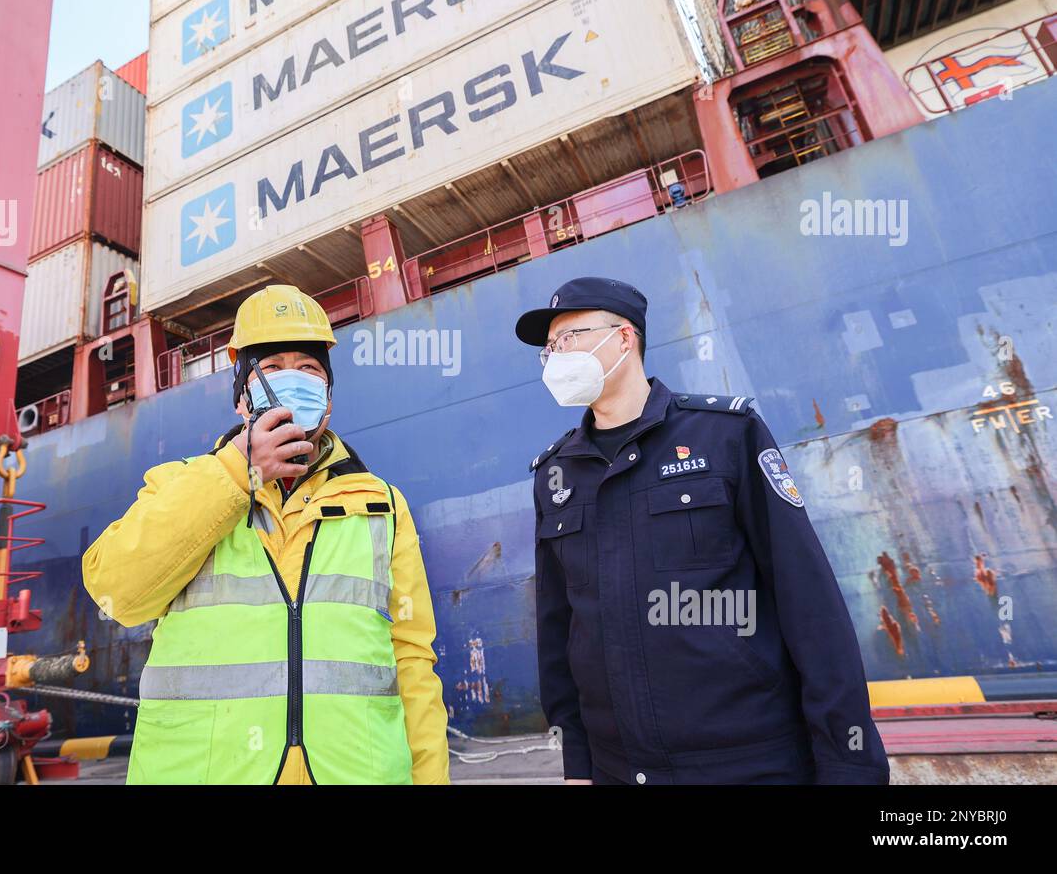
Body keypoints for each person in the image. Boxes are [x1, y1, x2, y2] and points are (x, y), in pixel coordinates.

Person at [516, 277, 888, 784]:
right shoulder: (555, 476)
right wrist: (577, 761)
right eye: (550, 348)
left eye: (571, 337)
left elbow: (808, 600)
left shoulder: (726, 435)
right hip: (619, 769)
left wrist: (850, 764)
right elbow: (560, 629)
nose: (557, 356)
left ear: (624, 338)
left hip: (748, 764)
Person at [82, 284, 449, 784]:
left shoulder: (381, 506)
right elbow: (116, 593)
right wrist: (238, 473)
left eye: (310, 368)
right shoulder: (178, 486)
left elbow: (411, 664)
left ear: (329, 399)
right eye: (271, 367)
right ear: (241, 398)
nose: (292, 379)